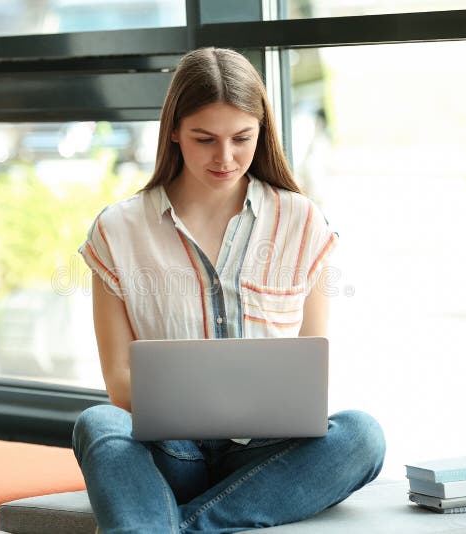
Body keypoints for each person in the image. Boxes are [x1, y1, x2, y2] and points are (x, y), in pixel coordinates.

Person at [73, 47, 385, 533]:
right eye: (205, 139)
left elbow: (310, 371)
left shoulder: (301, 221)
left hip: (266, 453)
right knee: (98, 424)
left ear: (262, 132)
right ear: (174, 131)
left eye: (242, 138)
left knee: (363, 436)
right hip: (172, 453)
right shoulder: (118, 230)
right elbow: (118, 383)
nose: (225, 157)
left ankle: (184, 526)